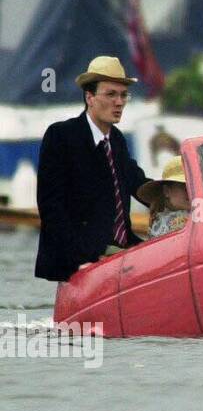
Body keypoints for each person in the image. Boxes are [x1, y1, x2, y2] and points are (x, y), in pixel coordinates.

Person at [35, 56, 152, 282]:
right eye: (111, 94)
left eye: (123, 95)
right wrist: (81, 260)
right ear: (89, 97)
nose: (119, 102)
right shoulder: (61, 136)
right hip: (83, 257)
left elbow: (138, 183)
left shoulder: (116, 140)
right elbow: (51, 208)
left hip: (121, 247)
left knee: (167, 260)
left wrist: (178, 194)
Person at [138, 156, 190, 238]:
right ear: (167, 191)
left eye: (194, 186)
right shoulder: (174, 223)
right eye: (185, 187)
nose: (191, 192)